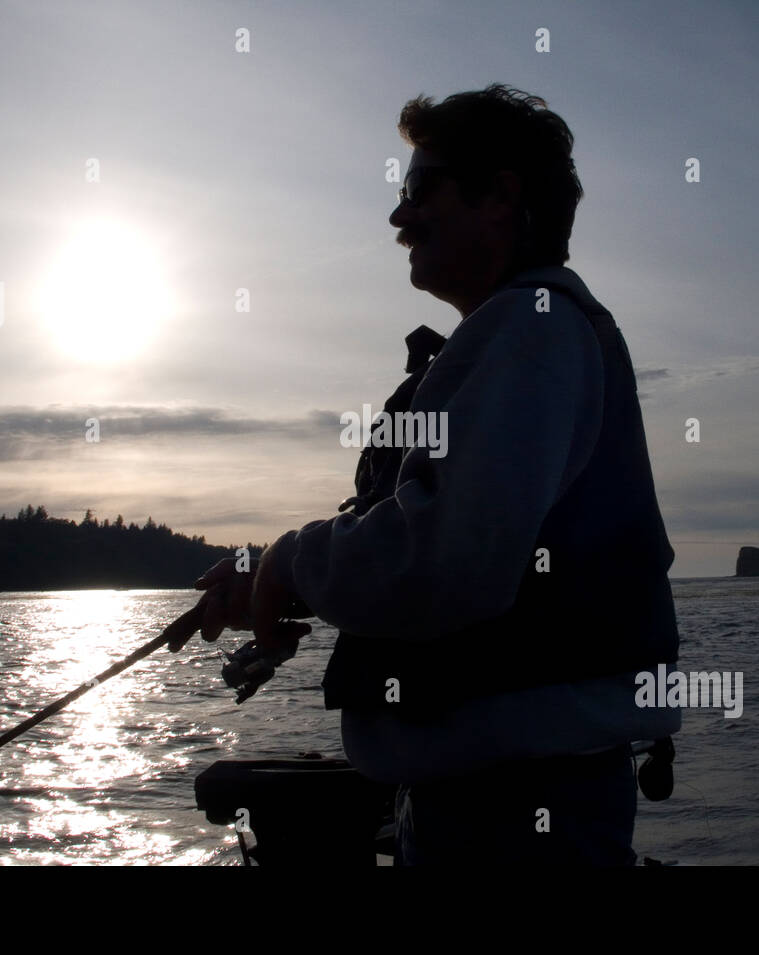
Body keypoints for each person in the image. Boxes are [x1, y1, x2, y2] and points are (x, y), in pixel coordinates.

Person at [194, 84, 681, 865]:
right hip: (483, 803)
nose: (399, 217)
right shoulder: (515, 341)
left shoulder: (534, 334)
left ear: (500, 197)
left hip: (516, 823)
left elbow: (450, 558)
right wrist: (273, 577)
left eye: (421, 189)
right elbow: (437, 538)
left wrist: (293, 560)